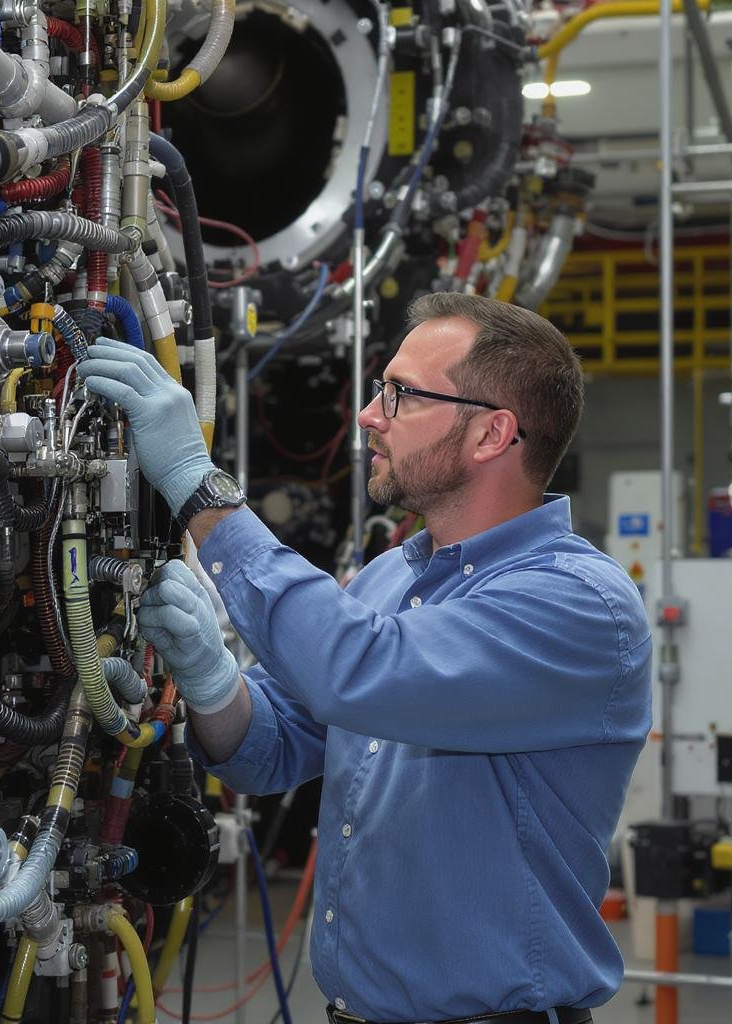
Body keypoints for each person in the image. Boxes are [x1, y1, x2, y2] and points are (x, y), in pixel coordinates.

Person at [78, 293, 652, 1024]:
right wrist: (210, 678)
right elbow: (268, 751)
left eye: (402, 395)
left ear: (491, 434)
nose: (369, 416)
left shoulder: (577, 604)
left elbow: (357, 671)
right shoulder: (391, 578)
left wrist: (202, 486)